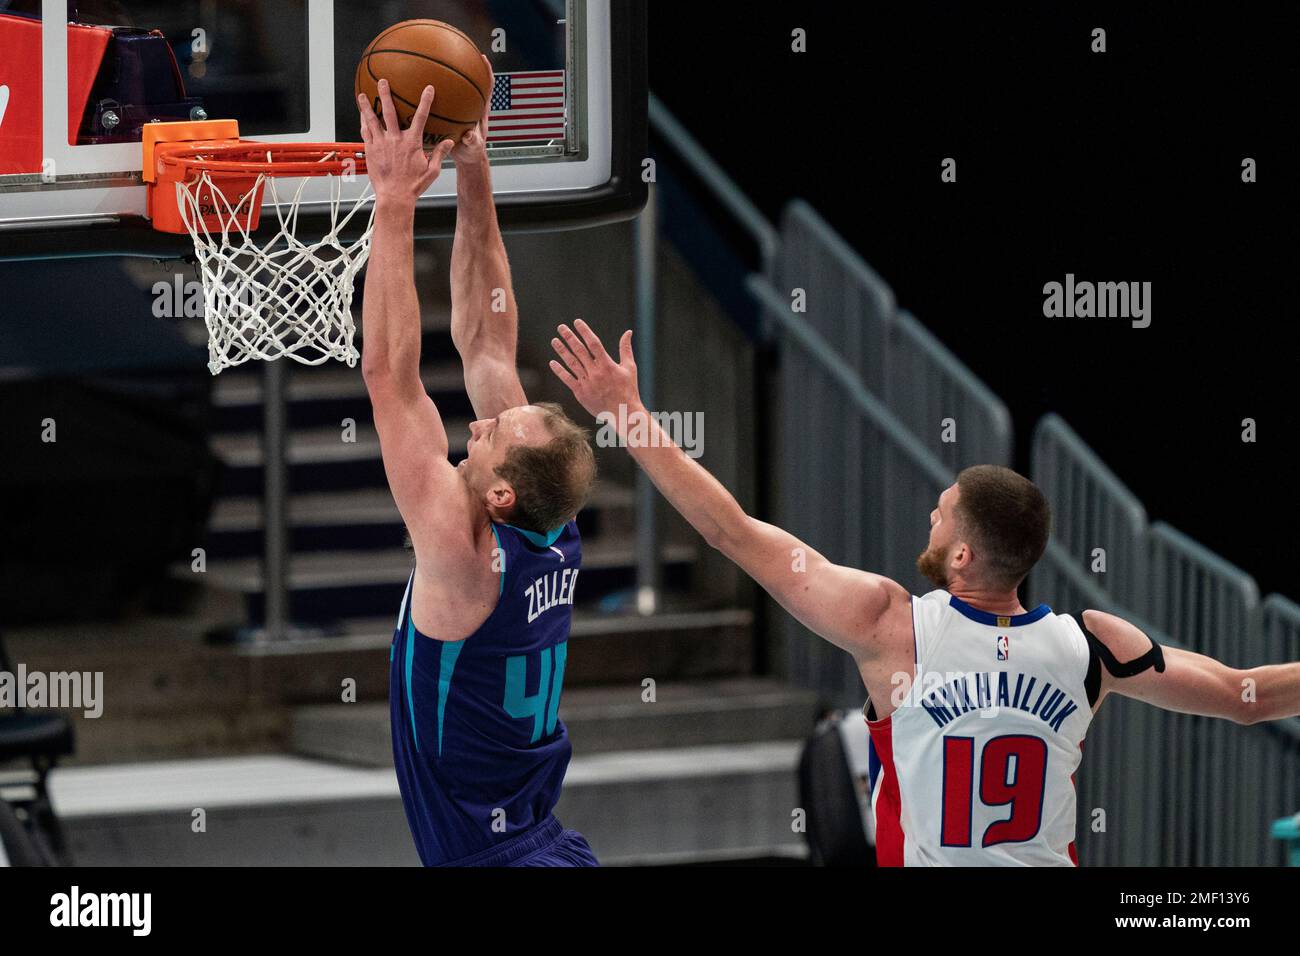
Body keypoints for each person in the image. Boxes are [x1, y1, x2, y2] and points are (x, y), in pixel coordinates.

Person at [547, 319, 1300, 866]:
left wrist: (628, 416)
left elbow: (731, 532)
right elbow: (1248, 695)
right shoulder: (1096, 646)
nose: (928, 520)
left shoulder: (890, 625)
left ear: (964, 552)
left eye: (940, 516)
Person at [358, 75, 598, 866]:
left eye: (493, 433)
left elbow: (389, 376)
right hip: (537, 844)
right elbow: (489, 339)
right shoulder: (546, 524)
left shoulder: (463, 554)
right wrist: (474, 169)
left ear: (499, 494)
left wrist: (394, 201)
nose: (481, 420)